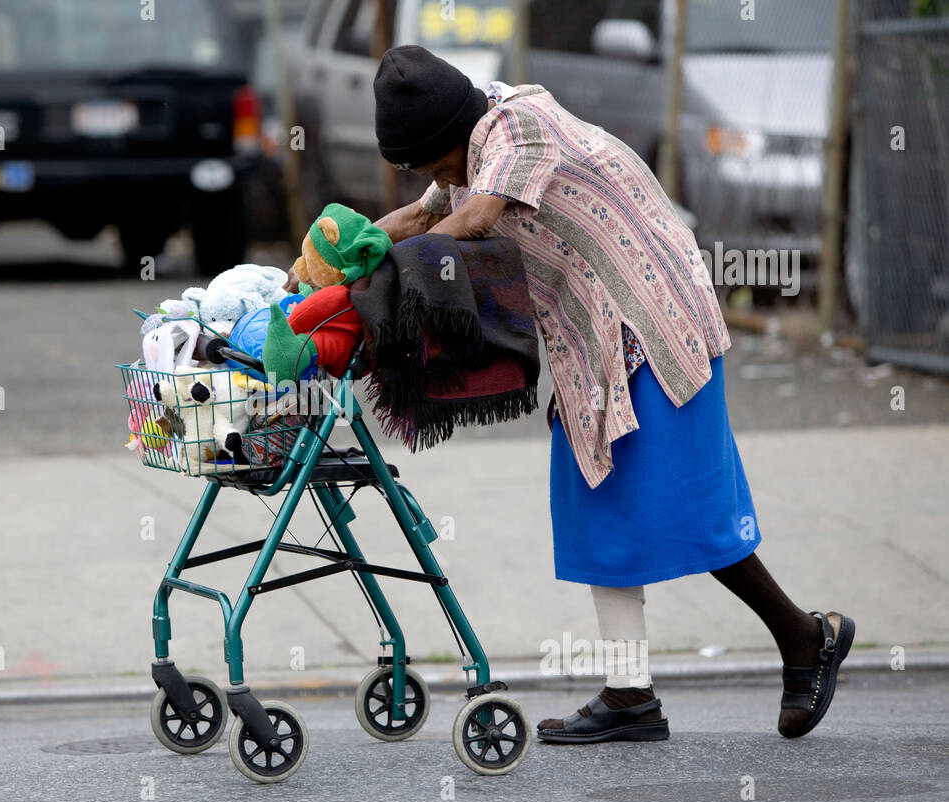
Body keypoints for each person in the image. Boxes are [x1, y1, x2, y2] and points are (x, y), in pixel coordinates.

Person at [364, 45, 854, 742]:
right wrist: (333, 269)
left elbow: (471, 224)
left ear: (449, 138)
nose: (434, 178)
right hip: (589, 332)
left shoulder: (517, 128)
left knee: (680, 506)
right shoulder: (470, 147)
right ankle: (630, 696)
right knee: (605, 511)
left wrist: (392, 277)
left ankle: (808, 637)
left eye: (429, 164)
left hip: (651, 320)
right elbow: (418, 221)